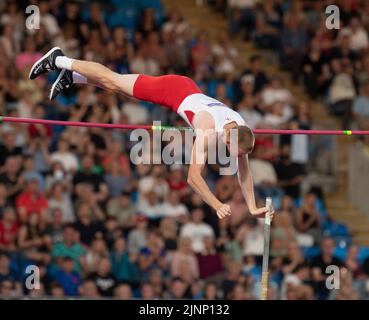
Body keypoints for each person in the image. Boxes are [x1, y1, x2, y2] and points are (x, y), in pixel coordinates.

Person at [29, 47, 275, 221]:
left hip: (189, 90)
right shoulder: (208, 131)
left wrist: (252, 206)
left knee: (118, 86)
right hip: (172, 91)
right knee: (114, 80)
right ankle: (59, 60)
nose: (233, 157)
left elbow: (244, 171)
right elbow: (193, 177)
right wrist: (216, 204)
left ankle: (74, 77)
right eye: (234, 151)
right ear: (231, 138)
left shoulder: (241, 128)